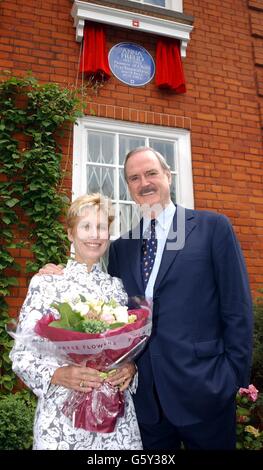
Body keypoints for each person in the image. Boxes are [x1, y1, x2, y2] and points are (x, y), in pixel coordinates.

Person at [39, 147, 253, 450]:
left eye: (151, 173)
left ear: (168, 176)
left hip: (205, 391)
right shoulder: (121, 248)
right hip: (145, 402)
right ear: (129, 187)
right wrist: (58, 271)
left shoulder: (212, 228)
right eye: (134, 178)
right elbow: (111, 313)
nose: (144, 183)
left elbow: (237, 308)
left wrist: (232, 379)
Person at [10, 193, 142, 450]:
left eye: (102, 227)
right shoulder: (47, 282)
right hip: (62, 424)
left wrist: (131, 369)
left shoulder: (118, 288)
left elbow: (127, 348)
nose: (95, 235)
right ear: (71, 233)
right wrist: (58, 374)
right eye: (86, 226)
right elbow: (21, 355)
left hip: (117, 425)